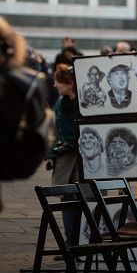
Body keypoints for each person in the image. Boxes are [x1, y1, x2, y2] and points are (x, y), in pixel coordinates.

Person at [45, 64, 81, 243]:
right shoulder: (60, 103)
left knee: (88, 198)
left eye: (58, 81)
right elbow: (56, 132)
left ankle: (88, 242)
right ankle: (70, 244)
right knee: (68, 200)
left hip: (85, 159)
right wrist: (51, 155)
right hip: (66, 158)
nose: (54, 85)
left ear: (70, 83)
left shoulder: (86, 103)